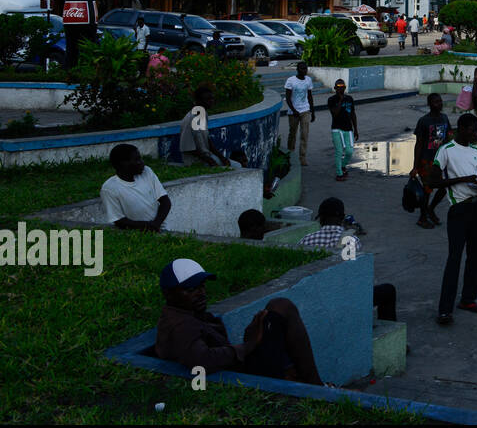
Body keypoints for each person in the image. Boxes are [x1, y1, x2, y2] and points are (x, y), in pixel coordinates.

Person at [153, 257, 325, 385]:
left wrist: (248, 340)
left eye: (202, 286)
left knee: (276, 311)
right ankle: (318, 388)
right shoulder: (180, 323)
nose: (201, 293)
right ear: (168, 293)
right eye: (191, 289)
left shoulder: (189, 313)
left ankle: (299, 377)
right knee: (281, 306)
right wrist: (248, 346)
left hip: (242, 367)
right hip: (242, 379)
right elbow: (201, 360)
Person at [298, 198, 397, 321]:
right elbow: (353, 273)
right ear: (342, 218)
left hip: (317, 297)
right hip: (344, 297)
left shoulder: (306, 240)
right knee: (388, 290)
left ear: (321, 218)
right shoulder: (351, 241)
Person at [432, 113, 477, 325]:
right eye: (473, 130)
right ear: (461, 129)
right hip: (459, 210)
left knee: (475, 256)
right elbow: (434, 181)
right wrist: (464, 180)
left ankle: (468, 299)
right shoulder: (446, 150)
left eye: (476, 130)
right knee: (454, 258)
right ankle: (444, 310)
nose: (475, 134)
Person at [100, 143, 171, 232]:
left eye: (140, 158)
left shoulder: (147, 172)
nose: (142, 163)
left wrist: (156, 224)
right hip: (137, 233)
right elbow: (119, 221)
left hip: (160, 228)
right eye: (137, 160)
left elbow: (165, 201)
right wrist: (148, 226)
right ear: (122, 164)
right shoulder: (109, 188)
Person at [178, 85, 248, 168]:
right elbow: (188, 148)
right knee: (237, 166)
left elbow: (207, 140)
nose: (211, 101)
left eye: (212, 99)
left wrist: (221, 157)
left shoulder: (203, 115)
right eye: (207, 99)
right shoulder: (190, 119)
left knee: (236, 164)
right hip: (195, 160)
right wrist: (210, 161)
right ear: (198, 101)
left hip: (207, 156)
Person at [411, 93, 452, 228]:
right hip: (426, 160)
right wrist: (415, 166)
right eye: (435, 102)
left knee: (444, 187)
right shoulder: (424, 121)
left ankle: (430, 209)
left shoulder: (445, 118)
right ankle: (422, 218)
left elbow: (448, 138)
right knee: (427, 190)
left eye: (440, 101)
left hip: (441, 161)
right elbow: (419, 144)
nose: (439, 104)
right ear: (429, 104)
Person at [283, 61, 315, 167]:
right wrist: (293, 110)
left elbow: (310, 96)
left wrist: (312, 111)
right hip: (293, 112)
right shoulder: (291, 81)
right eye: (302, 69)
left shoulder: (308, 80)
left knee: (304, 134)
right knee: (292, 134)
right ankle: (290, 155)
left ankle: (302, 157)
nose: (304, 71)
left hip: (305, 110)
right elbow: (287, 98)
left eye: (305, 69)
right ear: (297, 69)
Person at [326, 79, 357, 181]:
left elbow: (352, 114)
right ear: (335, 88)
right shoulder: (331, 99)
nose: (341, 88)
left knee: (349, 151)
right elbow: (334, 113)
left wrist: (356, 129)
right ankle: (339, 173)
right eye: (338, 86)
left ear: (345, 87)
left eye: (342, 86)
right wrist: (340, 100)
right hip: (336, 128)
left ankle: (342, 165)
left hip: (348, 129)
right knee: (339, 151)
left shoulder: (349, 98)